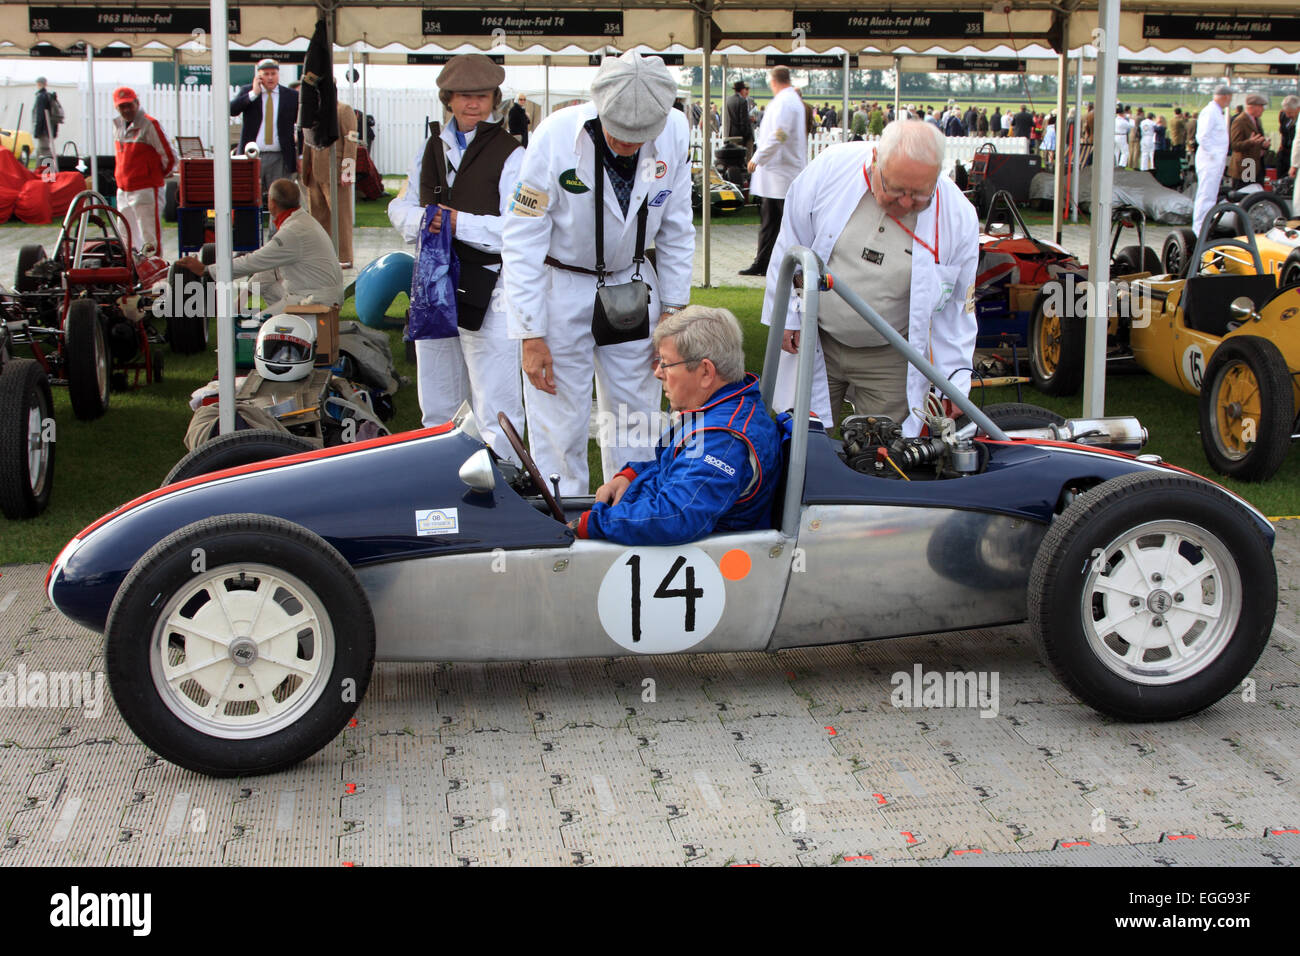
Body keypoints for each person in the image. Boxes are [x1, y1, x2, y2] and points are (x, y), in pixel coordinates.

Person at [501, 50, 693, 497]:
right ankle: (562, 517)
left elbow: (679, 227)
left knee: (637, 415)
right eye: (619, 133)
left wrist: (674, 310)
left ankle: (631, 509)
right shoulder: (552, 138)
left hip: (632, 285)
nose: (628, 144)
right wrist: (530, 333)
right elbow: (522, 237)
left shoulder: (678, 133)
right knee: (557, 418)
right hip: (561, 285)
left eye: (640, 136)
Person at [761, 120, 979, 437]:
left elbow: (958, 306)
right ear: (875, 160)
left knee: (884, 457)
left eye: (920, 195)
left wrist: (954, 381)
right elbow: (790, 246)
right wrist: (786, 319)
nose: (906, 203)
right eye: (896, 190)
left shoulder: (958, 217)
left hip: (892, 355)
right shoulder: (831, 168)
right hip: (815, 339)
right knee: (798, 443)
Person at [388, 53, 525, 458]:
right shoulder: (430, 147)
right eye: (464, 96)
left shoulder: (511, 154)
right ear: (448, 98)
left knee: (496, 399)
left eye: (482, 96)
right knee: (437, 397)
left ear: (494, 99)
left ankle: (508, 480)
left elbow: (515, 229)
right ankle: (440, 477)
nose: (473, 104)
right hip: (433, 285)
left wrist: (456, 223)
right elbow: (399, 209)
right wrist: (430, 219)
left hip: (489, 287)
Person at [570, 306, 782, 545]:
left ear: (705, 372)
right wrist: (631, 475)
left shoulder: (723, 440)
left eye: (666, 363)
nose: (658, 373)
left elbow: (676, 516)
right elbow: (676, 465)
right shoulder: (720, 408)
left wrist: (592, 525)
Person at [177, 179, 343, 314]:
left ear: (271, 203)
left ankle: (293, 334)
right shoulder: (301, 221)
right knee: (265, 284)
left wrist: (205, 269)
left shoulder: (292, 232)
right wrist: (241, 298)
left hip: (316, 300)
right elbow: (269, 268)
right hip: (317, 293)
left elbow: (254, 261)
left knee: (259, 326)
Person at [740, 67, 807, 277]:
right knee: (771, 222)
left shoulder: (787, 102)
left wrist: (758, 157)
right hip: (777, 173)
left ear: (773, 81)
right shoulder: (788, 100)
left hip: (781, 173)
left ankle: (772, 263)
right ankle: (764, 263)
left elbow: (780, 135)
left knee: (781, 223)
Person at [110, 87, 175, 256]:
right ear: (116, 108)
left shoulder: (149, 124)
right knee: (125, 236)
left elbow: (170, 156)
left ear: (137, 103)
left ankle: (155, 274)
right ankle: (131, 271)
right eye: (121, 107)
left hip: (146, 189)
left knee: (149, 237)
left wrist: (153, 176)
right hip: (123, 190)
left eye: (129, 105)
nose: (126, 110)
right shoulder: (118, 125)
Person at [299, 100, 358, 267]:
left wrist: (347, 170)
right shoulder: (310, 110)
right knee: (317, 217)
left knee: (340, 216)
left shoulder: (343, 110)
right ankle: (321, 256)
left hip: (336, 171)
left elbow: (351, 139)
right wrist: (306, 167)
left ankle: (344, 257)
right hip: (313, 172)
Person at [230, 58, 300, 197]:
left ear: (278, 75)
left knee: (280, 198)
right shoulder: (248, 92)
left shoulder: (291, 96)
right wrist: (254, 94)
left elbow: (301, 125)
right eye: (266, 74)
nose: (270, 77)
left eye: (273, 73)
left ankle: (277, 220)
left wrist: (301, 155)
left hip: (280, 156)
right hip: (253, 155)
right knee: (249, 197)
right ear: (259, 76)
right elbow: (232, 110)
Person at [1193, 86, 1234, 235]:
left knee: (1210, 196)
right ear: (1225, 96)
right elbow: (1202, 136)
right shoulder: (1210, 112)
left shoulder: (1216, 112)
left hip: (1214, 161)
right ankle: (1199, 229)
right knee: (1205, 196)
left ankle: (1204, 226)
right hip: (1209, 161)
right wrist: (1214, 155)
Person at [1229, 93, 1270, 189]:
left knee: (1256, 194)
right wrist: (1251, 142)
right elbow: (1235, 145)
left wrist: (1263, 145)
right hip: (1246, 165)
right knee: (1246, 194)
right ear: (1251, 107)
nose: (1263, 109)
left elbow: (1257, 140)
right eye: (1261, 106)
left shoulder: (1257, 120)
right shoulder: (1240, 121)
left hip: (1256, 165)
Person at [725, 81, 754, 159]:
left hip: (731, 133)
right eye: (746, 89)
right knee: (746, 160)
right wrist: (747, 135)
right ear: (742, 90)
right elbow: (743, 121)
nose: (747, 92)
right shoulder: (742, 101)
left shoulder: (728, 100)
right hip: (742, 137)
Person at [32, 77, 56, 164]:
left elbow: (40, 115)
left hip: (43, 129)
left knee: (44, 150)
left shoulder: (41, 96)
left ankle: (53, 167)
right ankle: (37, 169)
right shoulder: (48, 96)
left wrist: (37, 131)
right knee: (39, 151)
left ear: (39, 84)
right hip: (48, 127)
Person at [1278, 95, 1298, 177]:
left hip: (1295, 155)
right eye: (1285, 112)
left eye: (1290, 112)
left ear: (1298, 109)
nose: (1287, 115)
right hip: (1283, 154)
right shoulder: (1283, 116)